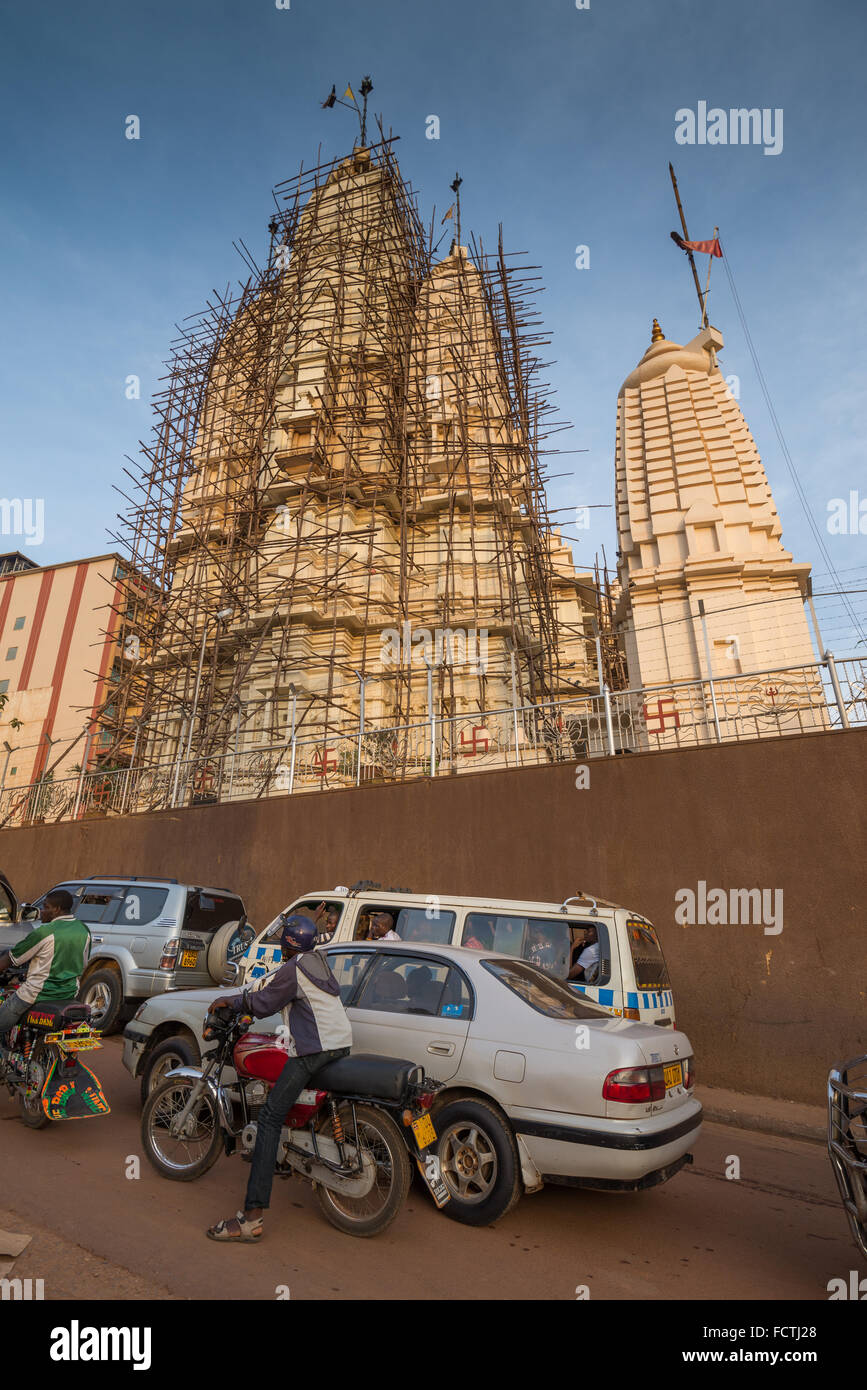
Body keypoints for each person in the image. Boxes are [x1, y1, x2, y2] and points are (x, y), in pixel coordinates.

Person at [206, 913, 352, 1243]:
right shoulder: (317, 961)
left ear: (287, 944)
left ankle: (251, 1218)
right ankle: (288, 1160)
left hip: (315, 1050)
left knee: (270, 1117)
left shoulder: (294, 968)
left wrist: (231, 1000)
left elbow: (265, 1001)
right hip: (338, 1045)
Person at [0, 889, 91, 1041]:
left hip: (37, 994)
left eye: (46, 907)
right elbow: (82, 964)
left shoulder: (44, 932)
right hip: (69, 993)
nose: (41, 912)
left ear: (56, 909)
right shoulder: (83, 930)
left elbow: (11, 958)